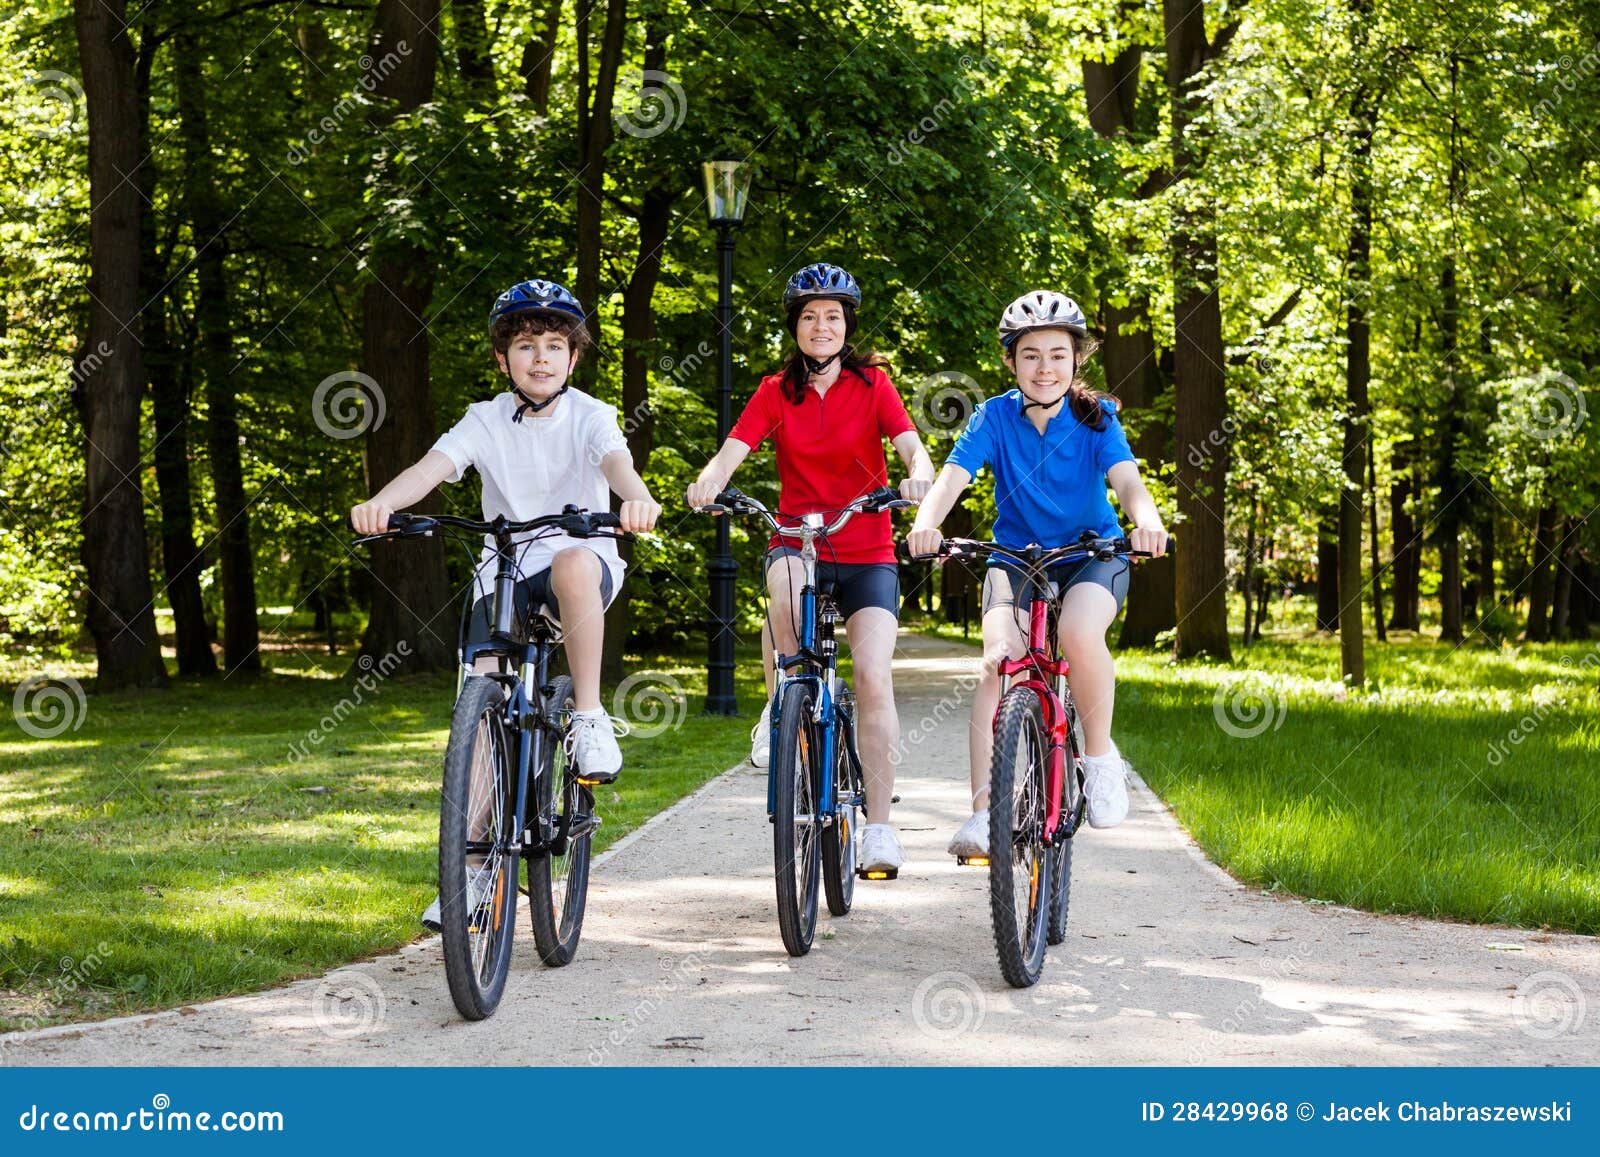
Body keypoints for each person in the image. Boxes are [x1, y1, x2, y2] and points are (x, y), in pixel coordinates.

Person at [350, 279, 661, 927]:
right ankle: (470, 874)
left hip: (580, 568)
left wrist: (636, 498)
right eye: (525, 346)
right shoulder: (485, 418)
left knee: (571, 560)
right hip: (506, 572)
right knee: (480, 703)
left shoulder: (592, 415)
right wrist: (384, 502)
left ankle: (588, 716)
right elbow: (432, 468)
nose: (540, 358)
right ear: (502, 359)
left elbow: (617, 465)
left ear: (573, 358)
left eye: (554, 346)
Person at [686, 263, 934, 875]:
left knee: (872, 675)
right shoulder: (776, 391)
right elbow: (731, 452)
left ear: (847, 326)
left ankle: (880, 828)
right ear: (794, 327)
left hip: (867, 548)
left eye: (833, 316)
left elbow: (911, 446)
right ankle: (781, 710)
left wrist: (919, 475)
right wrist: (708, 481)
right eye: (809, 316)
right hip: (797, 539)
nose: (821, 326)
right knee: (786, 589)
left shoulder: (874, 385)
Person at [904, 290, 1168, 857]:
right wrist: (926, 524)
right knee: (998, 662)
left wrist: (1147, 522)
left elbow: (1127, 481)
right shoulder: (992, 417)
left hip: (1092, 555)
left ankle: (1099, 758)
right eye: (1030, 355)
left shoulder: (1098, 418)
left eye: (1057, 354)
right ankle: (983, 814)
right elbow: (951, 479)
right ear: (1010, 362)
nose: (1044, 367)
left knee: (1078, 632)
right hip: (1016, 558)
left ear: (1076, 359)